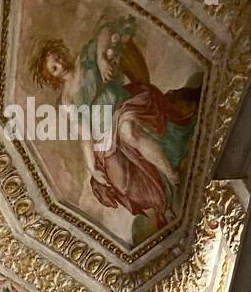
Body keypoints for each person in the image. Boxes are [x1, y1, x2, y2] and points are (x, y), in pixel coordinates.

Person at [28, 17, 200, 232]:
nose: (61, 64)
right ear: (52, 76)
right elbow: (84, 134)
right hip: (103, 137)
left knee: (129, 133)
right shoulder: (66, 100)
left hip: (122, 106)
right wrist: (92, 170)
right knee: (120, 182)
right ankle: (161, 204)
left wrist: (101, 58)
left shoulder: (85, 60)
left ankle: (171, 174)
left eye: (58, 57)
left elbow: (106, 29)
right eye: (54, 67)